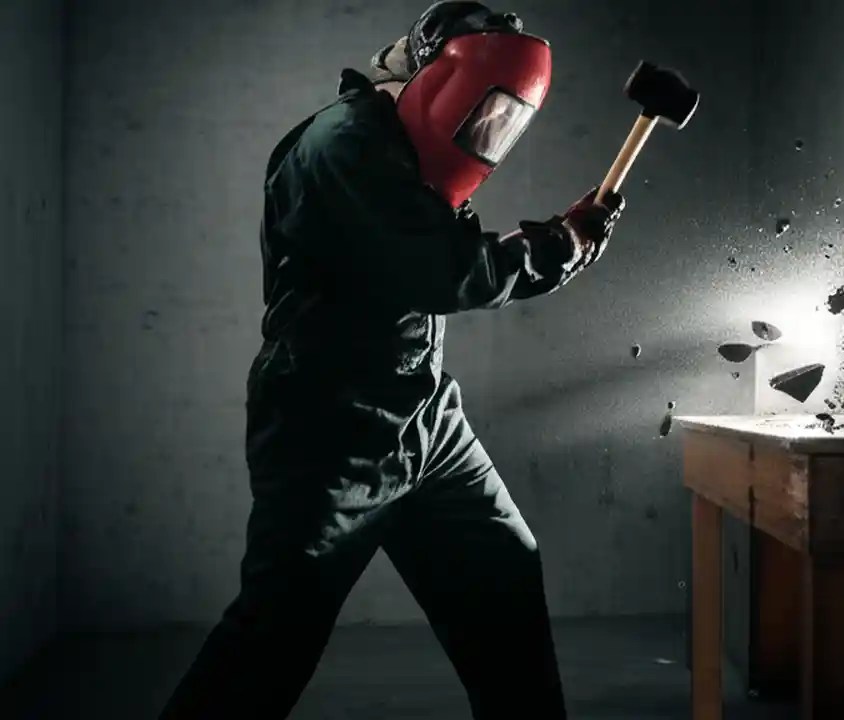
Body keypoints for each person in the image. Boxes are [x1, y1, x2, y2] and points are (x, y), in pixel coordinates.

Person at [159, 3, 622, 718]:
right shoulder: (343, 144)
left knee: (502, 576)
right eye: (482, 107)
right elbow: (445, 273)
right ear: (435, 78)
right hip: (329, 429)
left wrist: (562, 238)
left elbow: (444, 260)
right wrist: (561, 244)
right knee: (273, 637)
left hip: (424, 420)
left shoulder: (405, 153)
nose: (486, 130)